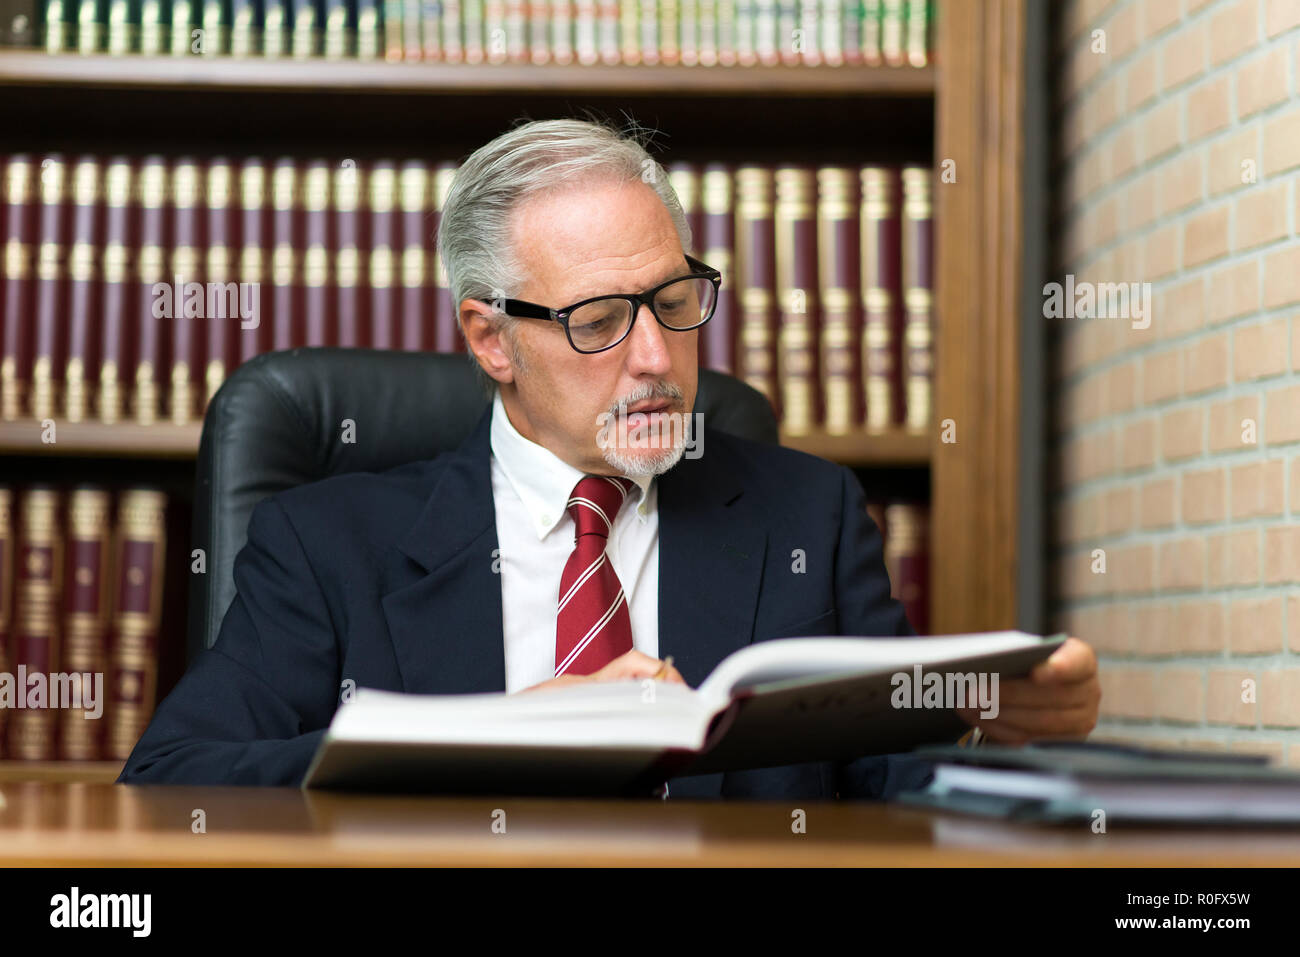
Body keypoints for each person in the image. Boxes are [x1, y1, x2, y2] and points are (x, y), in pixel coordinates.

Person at [119, 118, 1099, 797]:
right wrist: (499, 736)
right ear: (491, 338)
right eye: (598, 321)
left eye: (674, 302)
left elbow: (895, 776)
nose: (655, 358)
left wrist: (994, 727)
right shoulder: (330, 540)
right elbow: (176, 775)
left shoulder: (808, 516)